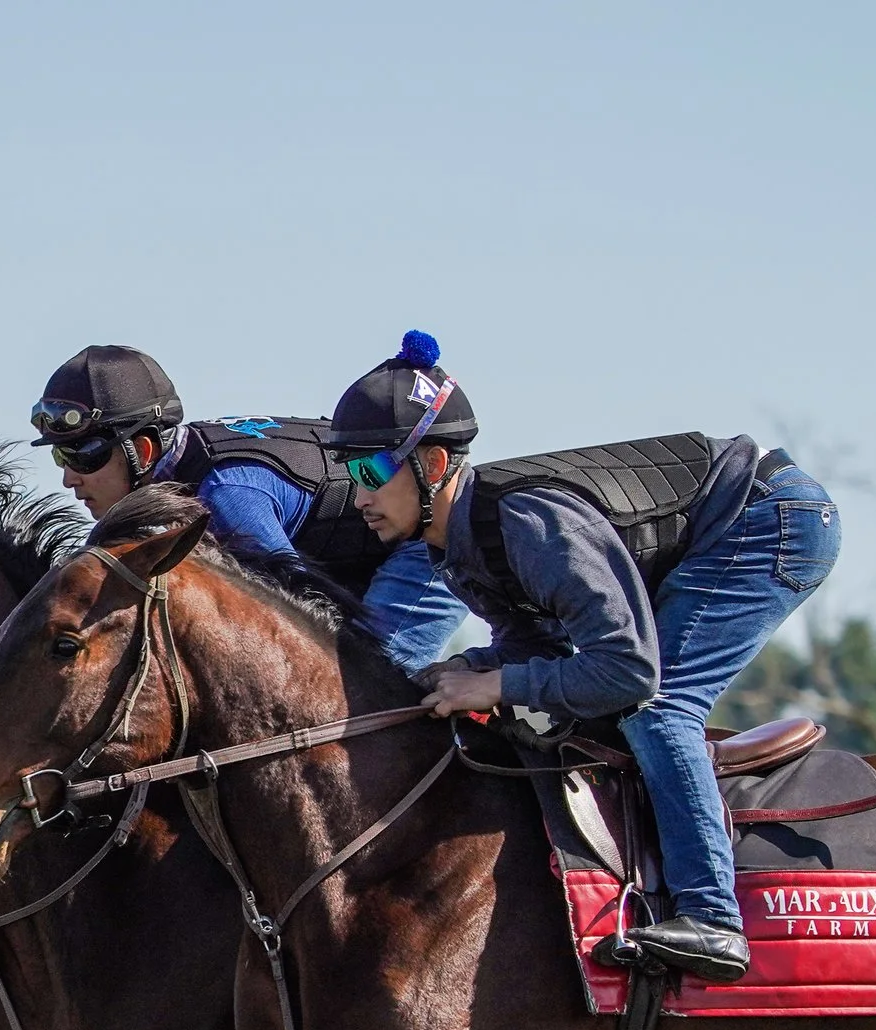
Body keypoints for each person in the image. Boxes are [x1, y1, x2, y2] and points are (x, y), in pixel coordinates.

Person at [325, 332, 840, 982]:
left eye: (370, 472)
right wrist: (472, 672)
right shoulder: (453, 549)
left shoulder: (528, 527)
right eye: (350, 475)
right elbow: (536, 654)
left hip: (770, 517)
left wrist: (497, 682)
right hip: (730, 520)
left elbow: (625, 671)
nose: (359, 495)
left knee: (658, 709)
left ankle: (713, 918)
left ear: (430, 464)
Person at [28, 345, 465, 673]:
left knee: (356, 685)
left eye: (83, 456)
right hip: (360, 556)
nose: (69, 477)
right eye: (61, 458)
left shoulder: (223, 496)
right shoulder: (188, 477)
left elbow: (295, 623)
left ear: (142, 450)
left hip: (424, 548)